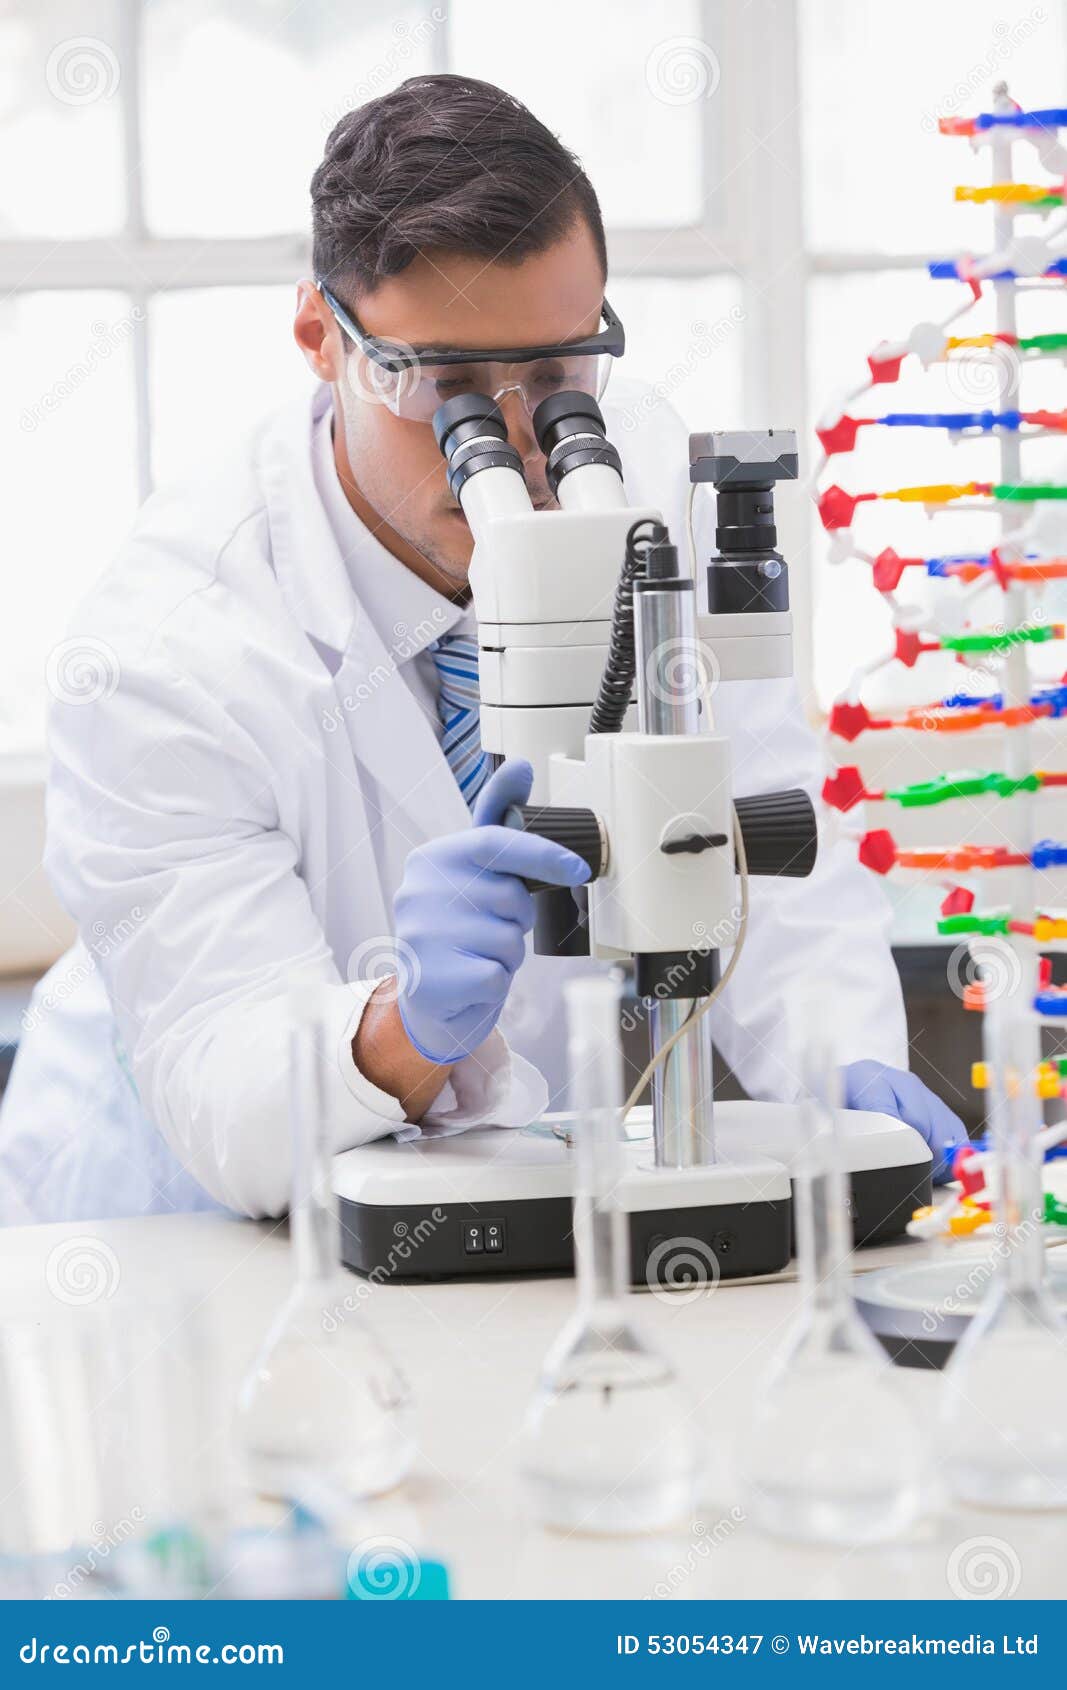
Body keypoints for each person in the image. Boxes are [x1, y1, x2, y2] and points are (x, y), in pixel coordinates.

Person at [0, 74, 965, 1223]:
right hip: (181, 1225)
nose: (517, 444)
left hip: (516, 1192)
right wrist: (401, 1026)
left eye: (557, 377)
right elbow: (228, 1084)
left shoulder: (639, 486)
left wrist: (839, 1076)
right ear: (321, 335)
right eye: (447, 387)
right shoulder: (167, 649)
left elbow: (750, 824)